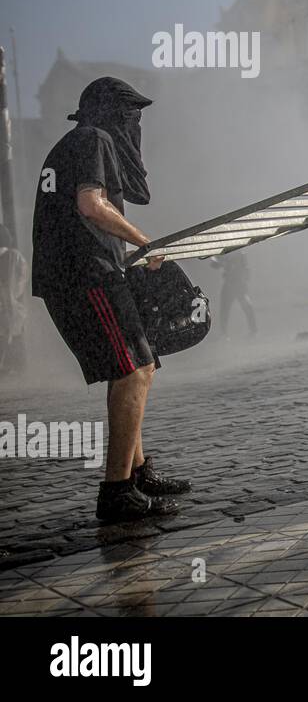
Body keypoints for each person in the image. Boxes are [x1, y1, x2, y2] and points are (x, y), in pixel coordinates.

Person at [31, 77, 191, 523]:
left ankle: (137, 473)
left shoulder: (73, 141)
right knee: (134, 370)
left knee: (137, 367)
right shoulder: (94, 138)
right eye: (130, 115)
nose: (134, 123)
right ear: (109, 113)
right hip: (86, 277)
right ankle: (117, 491)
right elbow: (91, 204)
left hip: (78, 277)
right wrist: (146, 243)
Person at [0, 224, 29, 374]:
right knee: (13, 334)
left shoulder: (12, 256)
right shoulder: (15, 256)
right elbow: (22, 278)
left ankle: (11, 365)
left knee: (8, 335)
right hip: (13, 305)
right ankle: (15, 365)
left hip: (9, 306)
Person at [216, 253, 256, 338]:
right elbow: (214, 264)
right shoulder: (224, 254)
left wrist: (243, 279)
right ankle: (223, 333)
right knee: (225, 309)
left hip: (238, 283)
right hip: (230, 283)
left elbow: (246, 269)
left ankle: (253, 330)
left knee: (247, 306)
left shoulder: (239, 254)